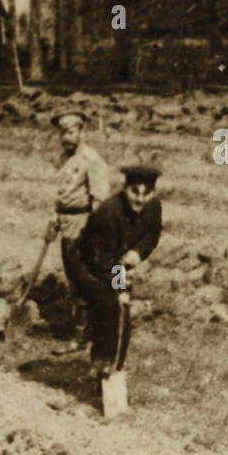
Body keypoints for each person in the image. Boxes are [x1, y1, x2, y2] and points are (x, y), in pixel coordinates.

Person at [67, 158, 163, 379]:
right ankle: (100, 363)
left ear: (152, 193)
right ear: (125, 188)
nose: (140, 198)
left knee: (123, 316)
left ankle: (114, 365)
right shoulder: (108, 213)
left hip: (115, 264)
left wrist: (137, 253)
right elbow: (98, 257)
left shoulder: (154, 207)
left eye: (146, 193)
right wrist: (121, 285)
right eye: (134, 191)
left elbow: (152, 235)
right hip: (86, 264)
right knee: (110, 307)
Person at [46, 110, 110, 352]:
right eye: (62, 133)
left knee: (83, 280)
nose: (66, 137)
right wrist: (54, 218)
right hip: (67, 223)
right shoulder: (67, 159)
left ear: (82, 132)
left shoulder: (91, 161)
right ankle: (83, 330)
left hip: (82, 226)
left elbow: (99, 201)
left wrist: (90, 235)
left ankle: (83, 336)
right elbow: (62, 195)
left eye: (71, 132)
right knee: (74, 279)